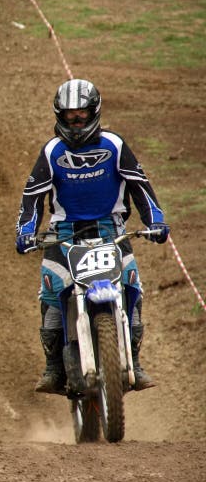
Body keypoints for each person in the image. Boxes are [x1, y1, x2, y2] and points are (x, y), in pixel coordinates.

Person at [15, 78, 169, 394]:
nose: (76, 121)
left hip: (111, 230)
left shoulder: (114, 145)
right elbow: (32, 196)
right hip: (63, 234)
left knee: (131, 288)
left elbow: (141, 187)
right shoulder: (52, 151)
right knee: (51, 293)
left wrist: (156, 221)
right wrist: (26, 232)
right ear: (59, 115)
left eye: (81, 114)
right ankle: (53, 368)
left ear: (94, 111)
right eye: (70, 116)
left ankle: (135, 363)